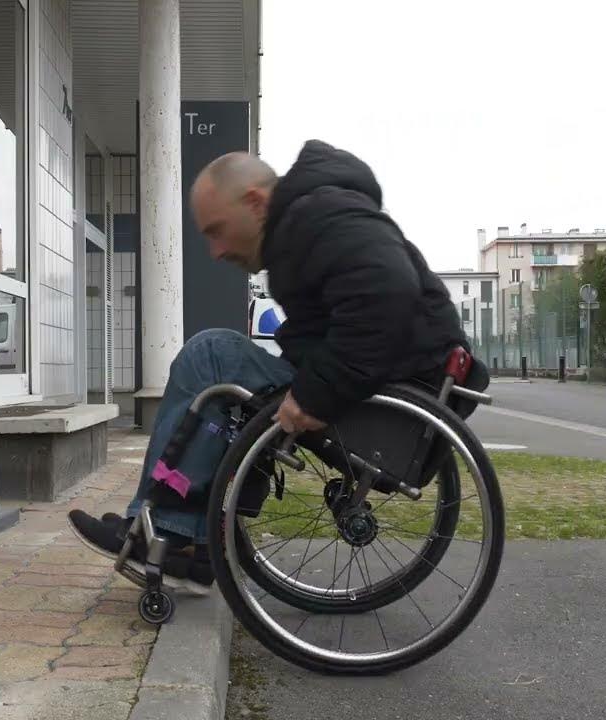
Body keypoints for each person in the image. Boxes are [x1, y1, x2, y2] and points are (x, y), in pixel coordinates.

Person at [68, 140, 470, 593]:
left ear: (256, 203)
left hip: (388, 396)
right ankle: (185, 538)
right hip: (387, 380)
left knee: (210, 355)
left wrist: (315, 393)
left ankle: (169, 533)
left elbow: (386, 295)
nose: (216, 251)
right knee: (222, 373)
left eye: (217, 231)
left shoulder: (321, 216)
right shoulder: (310, 223)